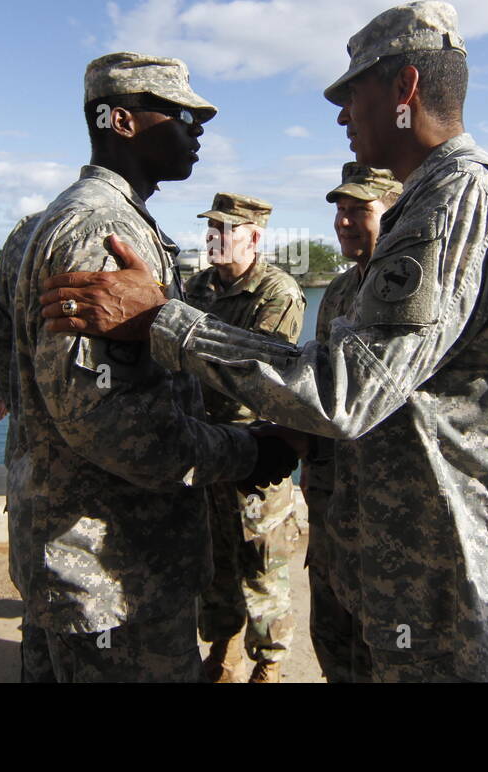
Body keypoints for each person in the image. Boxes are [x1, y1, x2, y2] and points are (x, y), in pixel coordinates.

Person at [39, 2, 488, 683]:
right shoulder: (421, 205)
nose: (342, 115)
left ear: (403, 90)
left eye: (352, 94)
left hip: (445, 584)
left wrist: (164, 319)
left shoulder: (459, 197)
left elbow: (348, 391)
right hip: (385, 569)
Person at [12, 52, 298, 683]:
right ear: (119, 121)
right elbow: (112, 424)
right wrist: (246, 454)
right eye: (180, 114)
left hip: (84, 561)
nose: (198, 128)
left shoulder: (67, 219)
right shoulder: (102, 231)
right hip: (113, 571)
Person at [184, 193, 305, 683]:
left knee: (262, 561)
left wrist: (189, 353)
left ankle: (271, 662)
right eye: (209, 229)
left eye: (224, 230)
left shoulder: (277, 292)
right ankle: (222, 646)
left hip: (255, 449)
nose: (213, 238)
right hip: (205, 444)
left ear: (255, 237)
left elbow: (258, 372)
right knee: (213, 559)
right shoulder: (196, 287)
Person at [304, 163, 401, 682]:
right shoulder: (340, 292)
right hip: (331, 508)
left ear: (396, 210)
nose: (343, 222)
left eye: (359, 210)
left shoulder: (406, 288)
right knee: (332, 639)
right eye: (339, 211)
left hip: (386, 520)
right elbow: (320, 388)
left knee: (383, 652)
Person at [0, 208, 55, 681]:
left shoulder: (26, 232)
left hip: (31, 450)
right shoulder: (108, 226)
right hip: (90, 478)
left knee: (40, 607)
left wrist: (17, 398)